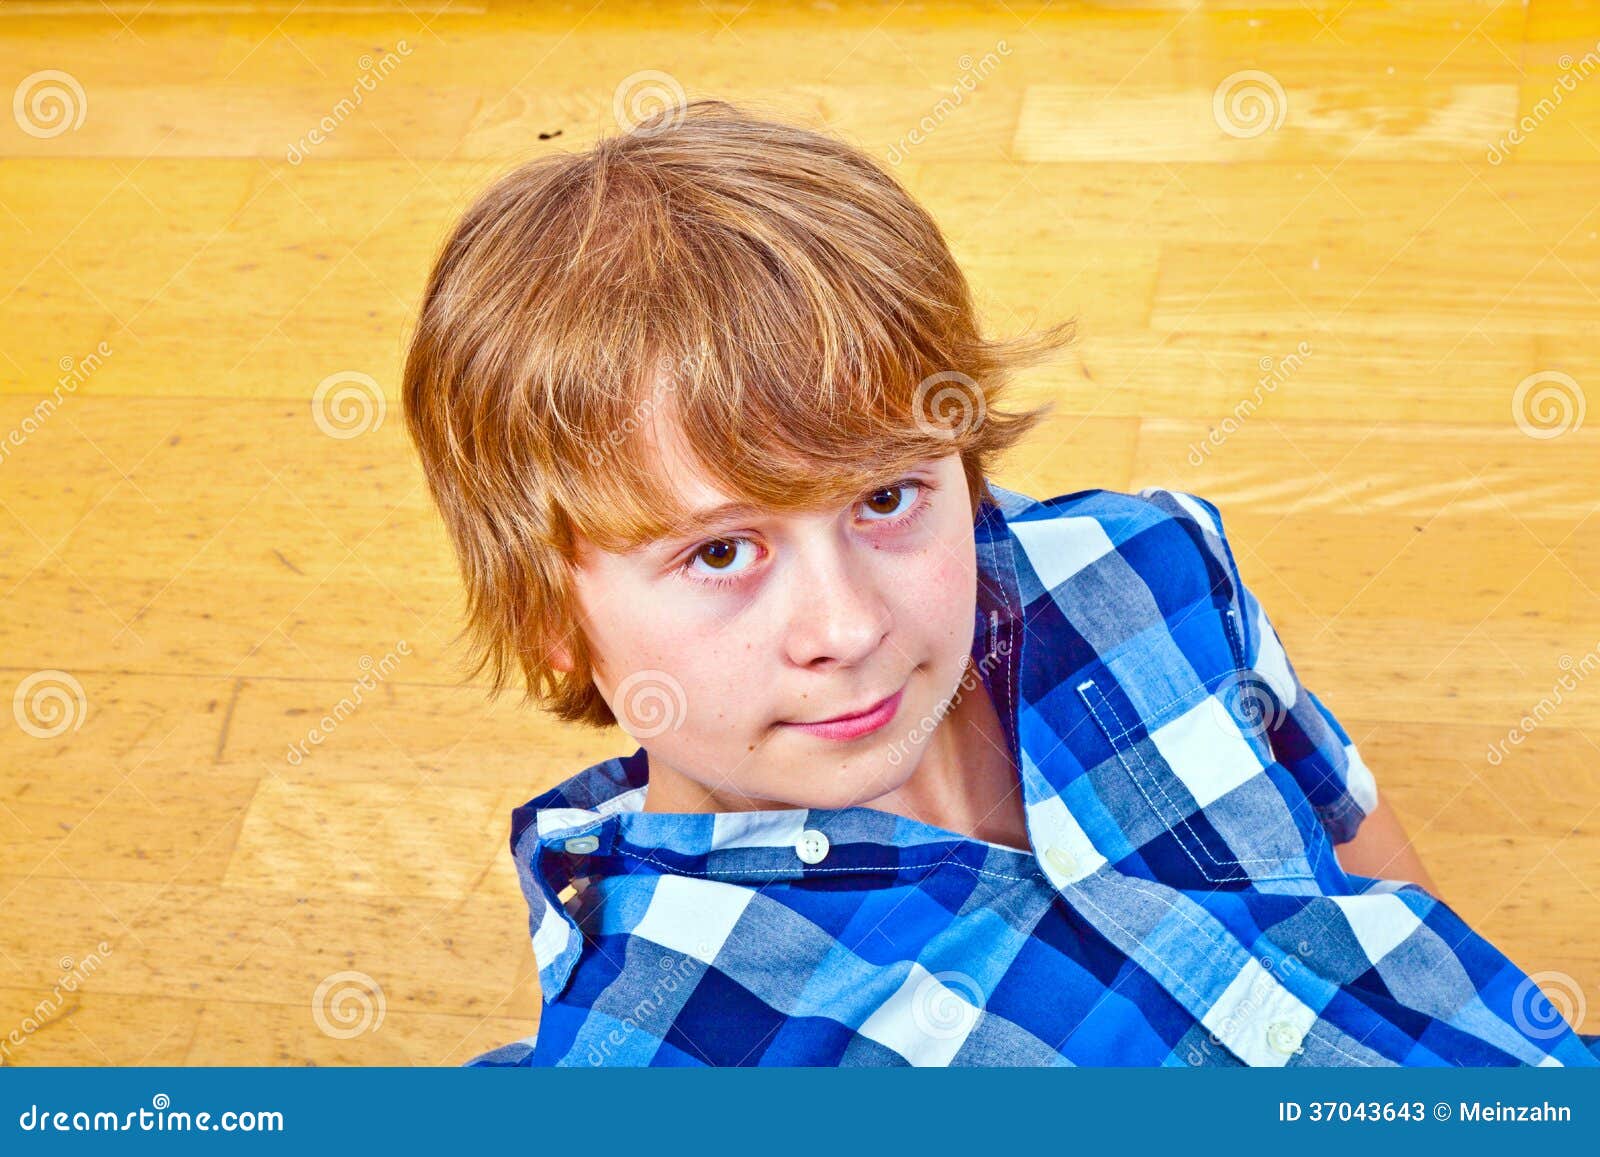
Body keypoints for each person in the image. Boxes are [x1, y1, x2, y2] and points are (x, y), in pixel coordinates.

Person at [401, 99, 1599, 1067]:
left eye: (887, 498)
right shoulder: (658, 1050)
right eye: (720, 551)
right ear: (549, 615)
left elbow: (1378, 881)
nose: (847, 624)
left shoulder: (1151, 566)